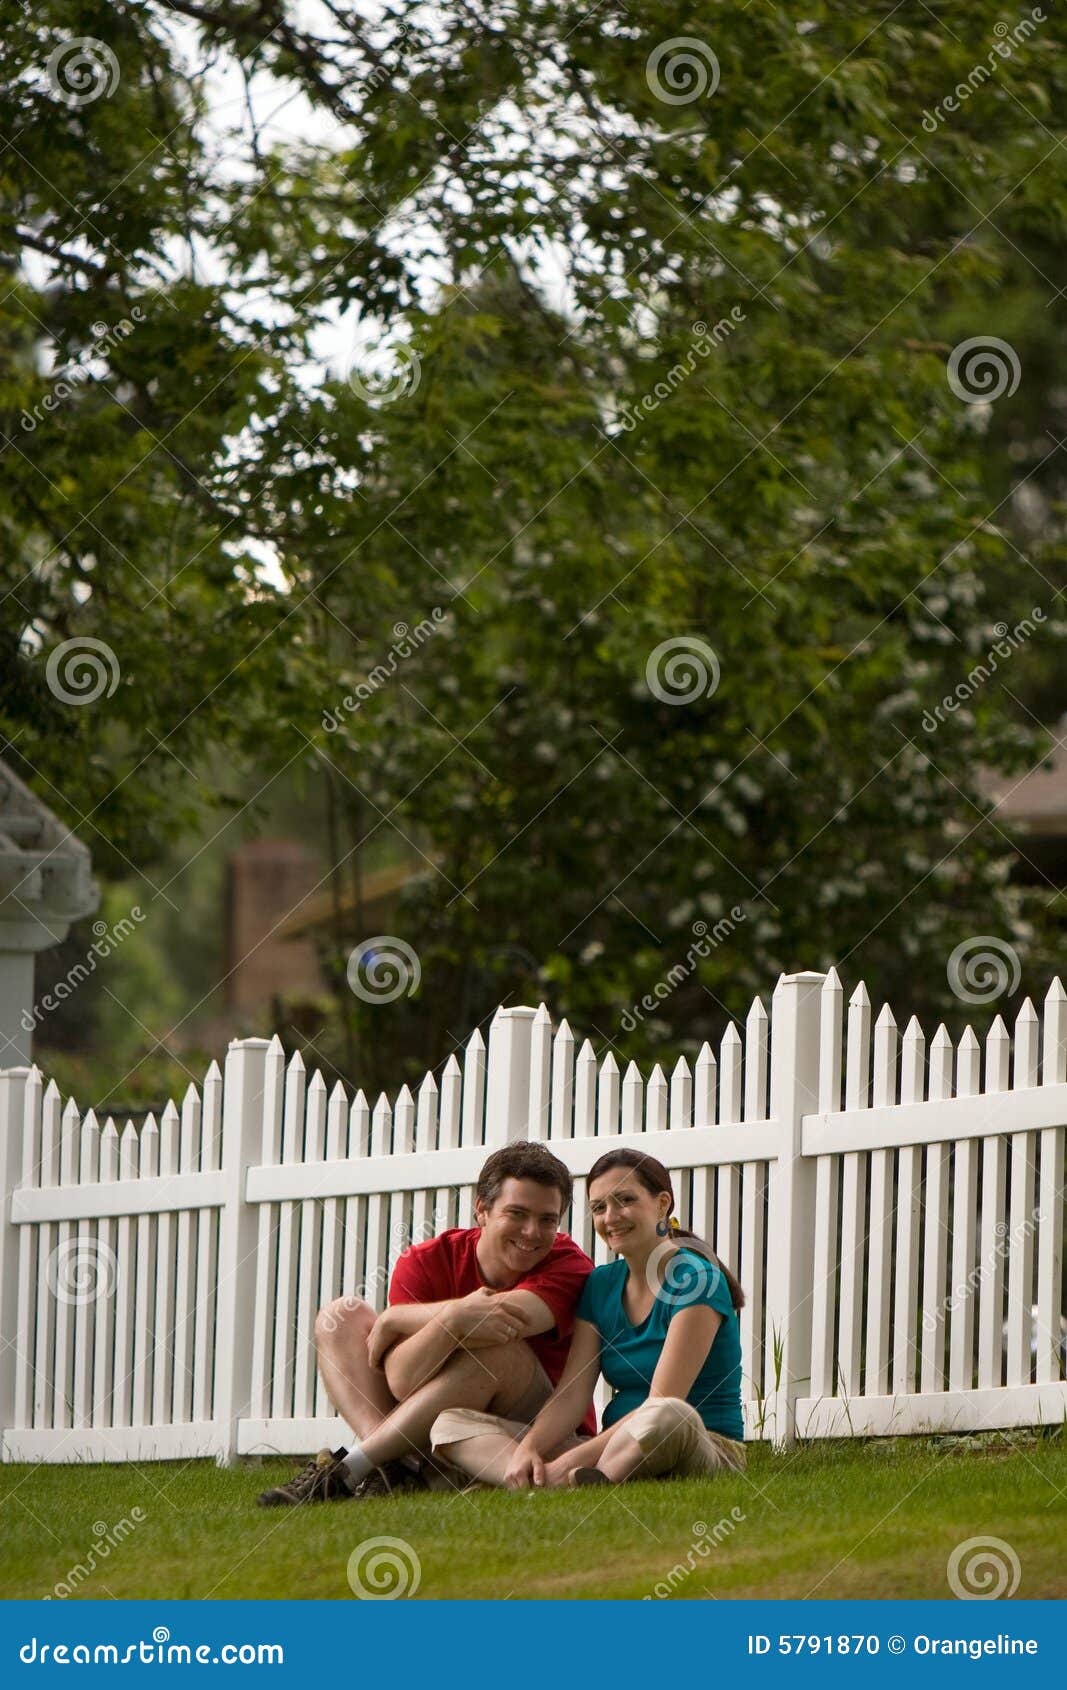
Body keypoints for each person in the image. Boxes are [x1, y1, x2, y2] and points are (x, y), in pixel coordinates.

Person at [257, 1140, 594, 1504]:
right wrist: (451, 1319)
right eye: (516, 1213)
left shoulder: (568, 1263)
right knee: (340, 1317)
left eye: (547, 1219)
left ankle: (353, 1466)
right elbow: (403, 1380)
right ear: (482, 1210)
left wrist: (402, 1318)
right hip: (431, 1420)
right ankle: (395, 1466)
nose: (532, 1232)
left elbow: (500, 1321)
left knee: (498, 1351)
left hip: (530, 1425)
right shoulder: (426, 1261)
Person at [430, 1147, 745, 1488]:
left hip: (697, 1443)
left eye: (625, 1200)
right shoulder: (601, 1284)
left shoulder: (695, 1279)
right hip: (609, 1447)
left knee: (668, 1414)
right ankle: (540, 1477)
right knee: (450, 1424)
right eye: (599, 1207)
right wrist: (531, 1448)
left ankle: (551, 1481)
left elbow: (660, 1401)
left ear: (662, 1203)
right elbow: (571, 1395)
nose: (611, 1217)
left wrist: (566, 1460)